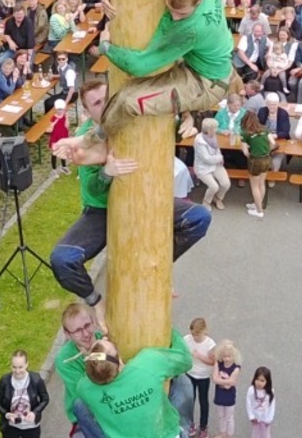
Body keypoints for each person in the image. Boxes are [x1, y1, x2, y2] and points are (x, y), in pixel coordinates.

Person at [51, 79, 212, 302]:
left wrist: (188, 119)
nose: (106, 106)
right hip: (103, 210)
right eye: (98, 103)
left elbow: (167, 126)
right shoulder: (85, 137)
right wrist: (106, 172)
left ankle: (159, 271)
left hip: (142, 198)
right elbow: (93, 189)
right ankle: (94, 301)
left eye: (108, 98)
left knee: (199, 217)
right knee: (63, 259)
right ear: (87, 112)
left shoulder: (133, 119)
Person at [95, 0, 238, 134]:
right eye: (171, 10)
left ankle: (95, 141)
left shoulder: (192, 29)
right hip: (203, 65)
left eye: (182, 14)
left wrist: (106, 47)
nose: (175, 18)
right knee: (125, 95)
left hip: (206, 83)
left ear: (198, 0)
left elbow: (138, 66)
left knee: (129, 100)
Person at [57, 330, 193, 438]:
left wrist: (95, 356)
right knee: (184, 381)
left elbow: (96, 373)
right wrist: (169, 330)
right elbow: (186, 360)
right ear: (120, 362)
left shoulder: (85, 387)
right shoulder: (147, 362)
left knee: (79, 406)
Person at [183, 317, 217, 438]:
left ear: (204, 331)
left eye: (196, 334)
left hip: (203, 376)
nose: (194, 336)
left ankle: (203, 426)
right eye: (192, 333)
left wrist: (199, 356)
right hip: (190, 374)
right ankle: (191, 424)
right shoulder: (187, 340)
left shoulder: (209, 344)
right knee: (190, 400)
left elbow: (212, 361)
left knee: (203, 402)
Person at [210, 341, 240, 438]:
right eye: (224, 356)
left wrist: (221, 381)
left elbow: (230, 385)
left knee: (229, 417)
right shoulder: (218, 363)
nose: (226, 359)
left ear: (234, 356)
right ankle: (222, 434)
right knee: (220, 416)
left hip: (229, 396)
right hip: (219, 394)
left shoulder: (236, 368)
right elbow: (214, 379)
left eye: (229, 356)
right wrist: (225, 382)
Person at [245, 364, 277, 438]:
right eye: (257, 379)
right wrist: (251, 416)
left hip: (265, 418)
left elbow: (272, 406)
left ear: (267, 382)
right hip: (255, 417)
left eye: (262, 381)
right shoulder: (251, 390)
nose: (259, 383)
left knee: (266, 435)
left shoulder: (270, 392)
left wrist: (269, 419)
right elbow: (248, 403)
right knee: (255, 433)